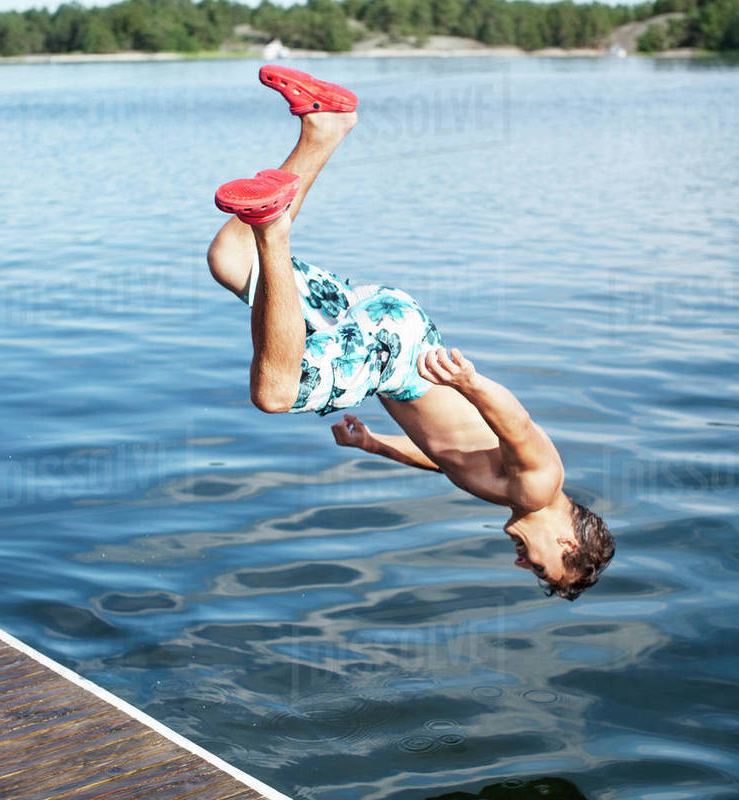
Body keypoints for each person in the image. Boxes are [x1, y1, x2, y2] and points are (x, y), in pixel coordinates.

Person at [208, 66, 614, 600]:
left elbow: (446, 457)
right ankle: (273, 226)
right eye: (542, 568)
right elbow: (517, 423)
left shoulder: (513, 493)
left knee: (229, 259)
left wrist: (376, 444)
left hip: (398, 325)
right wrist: (471, 384)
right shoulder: (540, 485)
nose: (523, 565)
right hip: (397, 357)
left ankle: (325, 127)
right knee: (275, 392)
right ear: (567, 542)